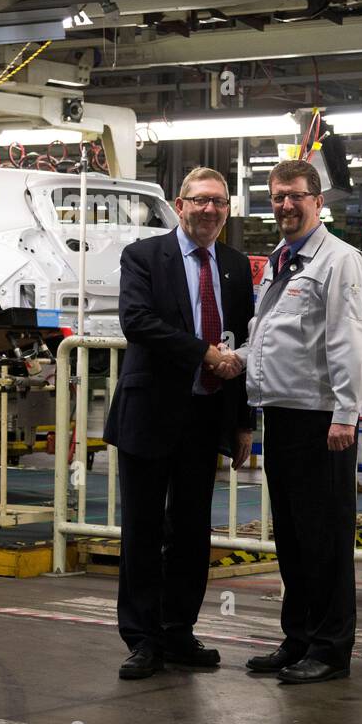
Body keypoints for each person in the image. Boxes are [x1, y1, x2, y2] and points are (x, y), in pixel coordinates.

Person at [103, 167, 254, 680]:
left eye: (219, 202)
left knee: (191, 532)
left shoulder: (235, 265)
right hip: (149, 415)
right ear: (179, 203)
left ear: (227, 209)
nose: (209, 210)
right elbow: (137, 322)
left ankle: (178, 632)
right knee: (143, 531)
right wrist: (204, 354)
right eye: (200, 201)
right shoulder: (144, 256)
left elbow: (242, 342)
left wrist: (244, 422)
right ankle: (142, 640)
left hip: (205, 416)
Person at [235, 159, 362, 684]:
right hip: (283, 416)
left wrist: (346, 414)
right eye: (276, 197)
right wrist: (238, 358)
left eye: (294, 195)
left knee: (326, 539)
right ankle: (297, 639)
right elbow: (273, 332)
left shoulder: (340, 261)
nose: (285, 205)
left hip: (323, 422)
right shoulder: (282, 259)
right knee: (292, 539)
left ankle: (331, 648)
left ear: (319, 201)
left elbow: (351, 340)